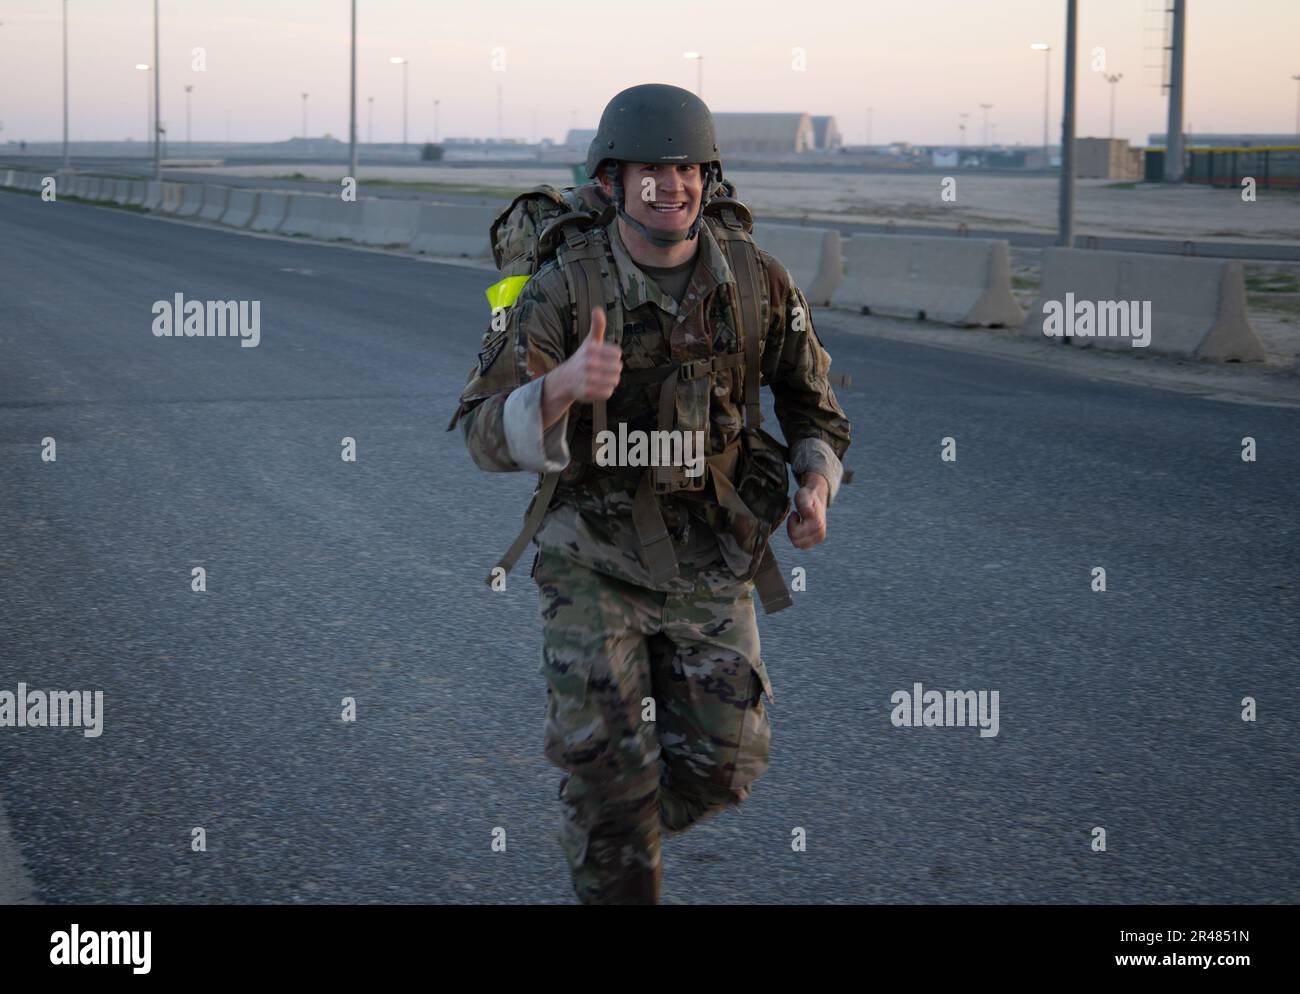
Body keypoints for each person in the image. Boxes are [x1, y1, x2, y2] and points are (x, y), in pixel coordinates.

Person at [454, 83, 851, 904]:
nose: (671, 185)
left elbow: (815, 407)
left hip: (714, 555)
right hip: (591, 560)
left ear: (708, 178)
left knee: (723, 769)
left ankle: (609, 825)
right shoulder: (563, 288)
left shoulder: (755, 280)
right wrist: (558, 387)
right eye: (651, 170)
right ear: (612, 181)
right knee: (609, 772)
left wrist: (815, 484)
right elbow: (479, 431)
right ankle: (610, 826)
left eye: (687, 169)